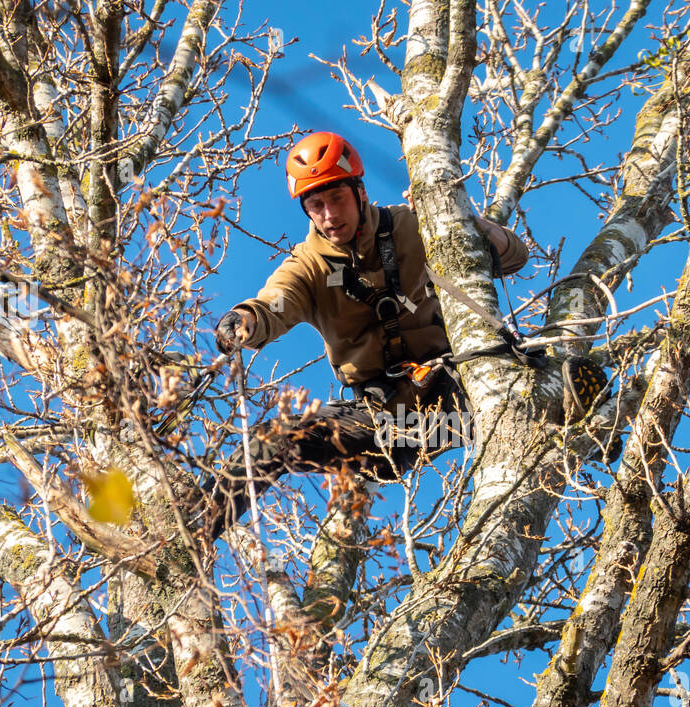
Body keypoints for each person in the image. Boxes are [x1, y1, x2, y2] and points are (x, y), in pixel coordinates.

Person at [200, 131, 530, 540]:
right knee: (267, 443)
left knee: (552, 377)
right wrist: (245, 320)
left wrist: (462, 220)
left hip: (455, 397)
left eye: (336, 198)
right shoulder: (308, 267)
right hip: (385, 423)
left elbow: (513, 256)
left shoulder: (413, 226)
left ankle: (599, 435)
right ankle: (195, 535)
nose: (329, 215)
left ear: (360, 191)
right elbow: (274, 303)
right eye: (315, 205)